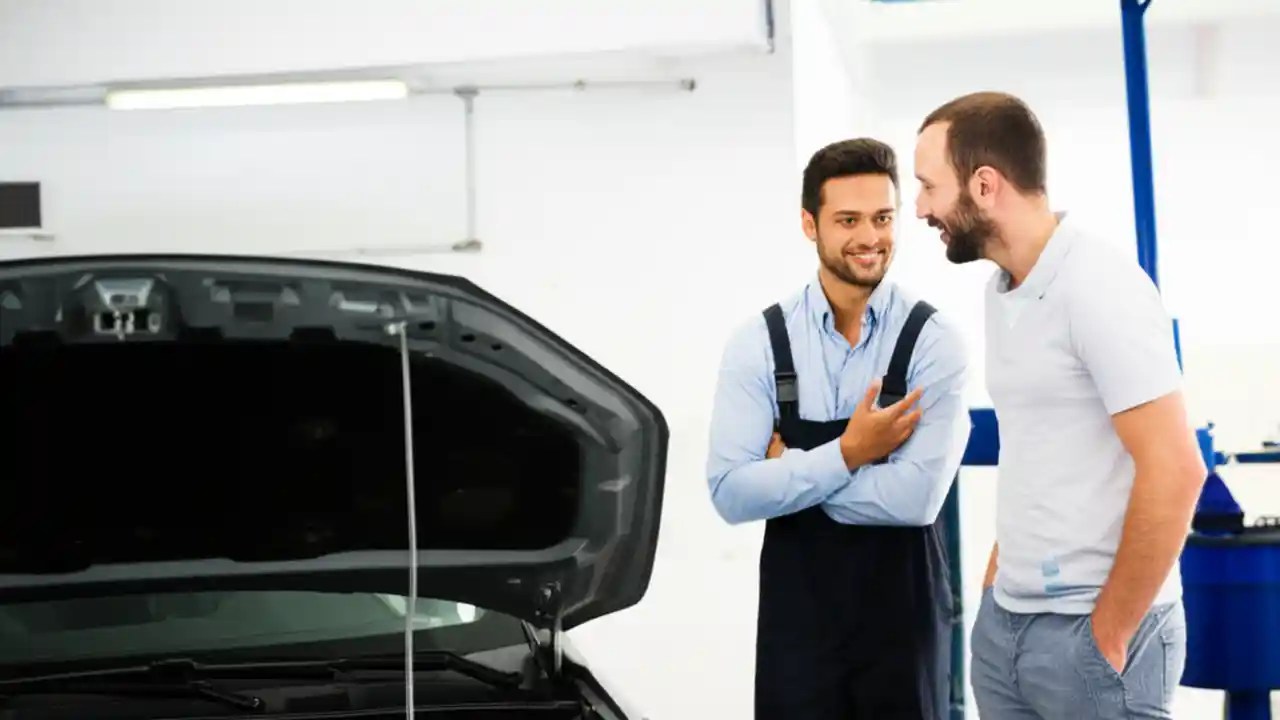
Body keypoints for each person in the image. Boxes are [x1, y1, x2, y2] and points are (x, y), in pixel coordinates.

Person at [913, 91, 1207, 719]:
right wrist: (999, 585)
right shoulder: (1003, 291)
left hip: (1092, 635)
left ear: (985, 185)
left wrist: (1111, 632)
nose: (920, 209)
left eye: (928, 187)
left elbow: (1177, 469)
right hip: (1009, 627)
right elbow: (1036, 446)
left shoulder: (1100, 285)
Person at [706, 137, 972, 720]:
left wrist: (791, 473)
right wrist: (851, 453)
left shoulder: (933, 341)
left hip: (904, 631)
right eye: (847, 220)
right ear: (810, 224)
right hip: (799, 636)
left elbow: (916, 499)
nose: (870, 238)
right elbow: (730, 492)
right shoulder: (758, 343)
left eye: (882, 218)